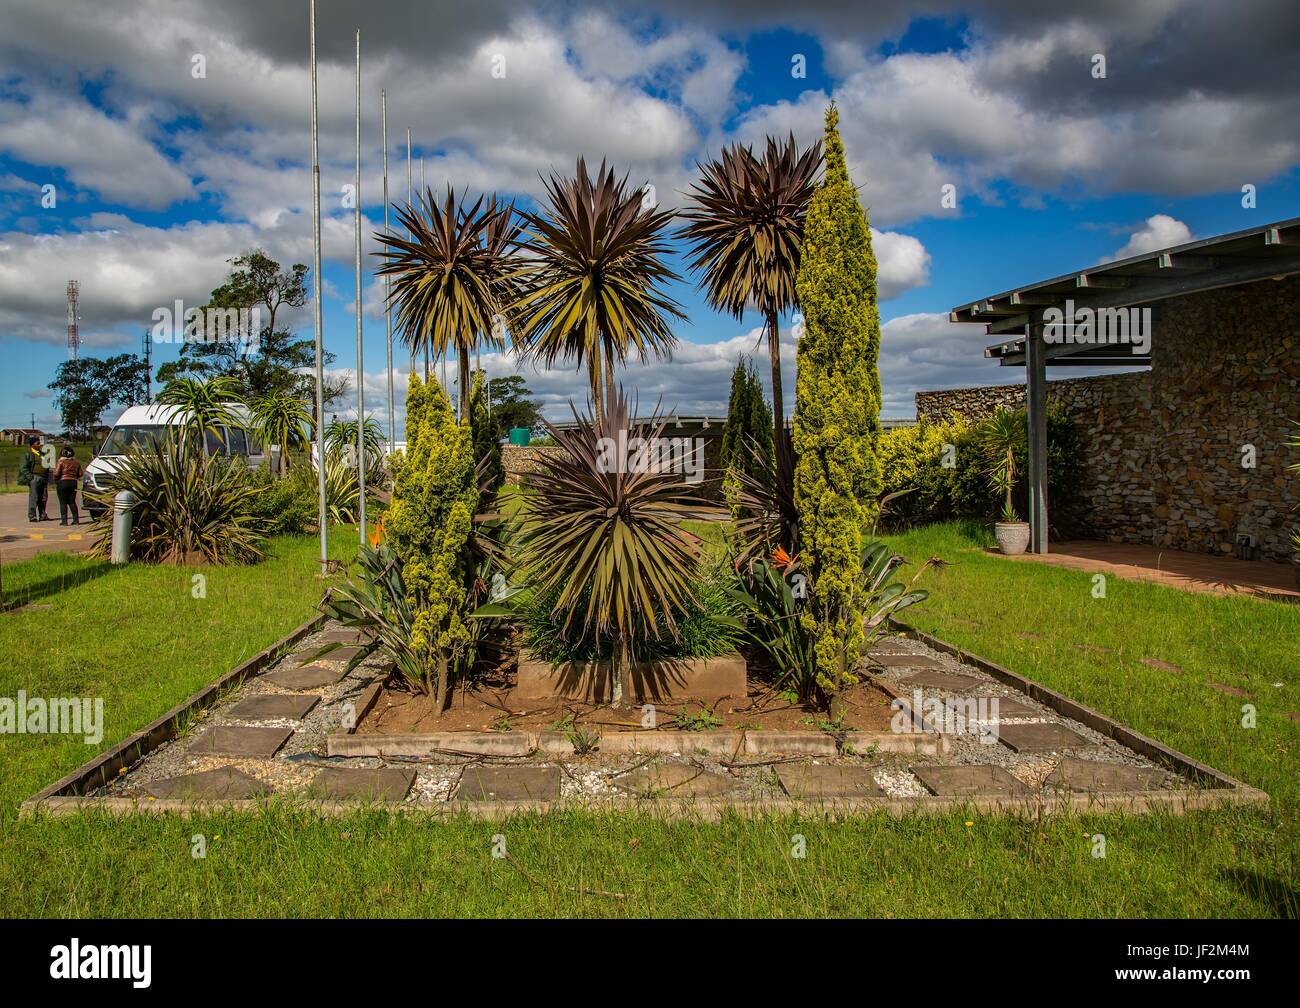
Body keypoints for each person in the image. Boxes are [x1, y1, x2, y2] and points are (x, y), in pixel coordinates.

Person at [18, 435, 49, 522]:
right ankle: (32, 516)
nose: (40, 445)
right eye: (37, 443)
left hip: (44, 478)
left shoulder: (41, 454)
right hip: (34, 478)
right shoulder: (28, 454)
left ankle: (43, 515)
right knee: (34, 497)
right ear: (32, 445)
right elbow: (23, 467)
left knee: (43, 497)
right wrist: (30, 477)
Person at [52, 446, 84, 525]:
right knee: (72, 502)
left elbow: (56, 473)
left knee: (63, 503)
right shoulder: (76, 462)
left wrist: (55, 478)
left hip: (62, 482)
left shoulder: (61, 462)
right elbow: (80, 474)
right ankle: (76, 520)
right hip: (73, 482)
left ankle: (64, 521)